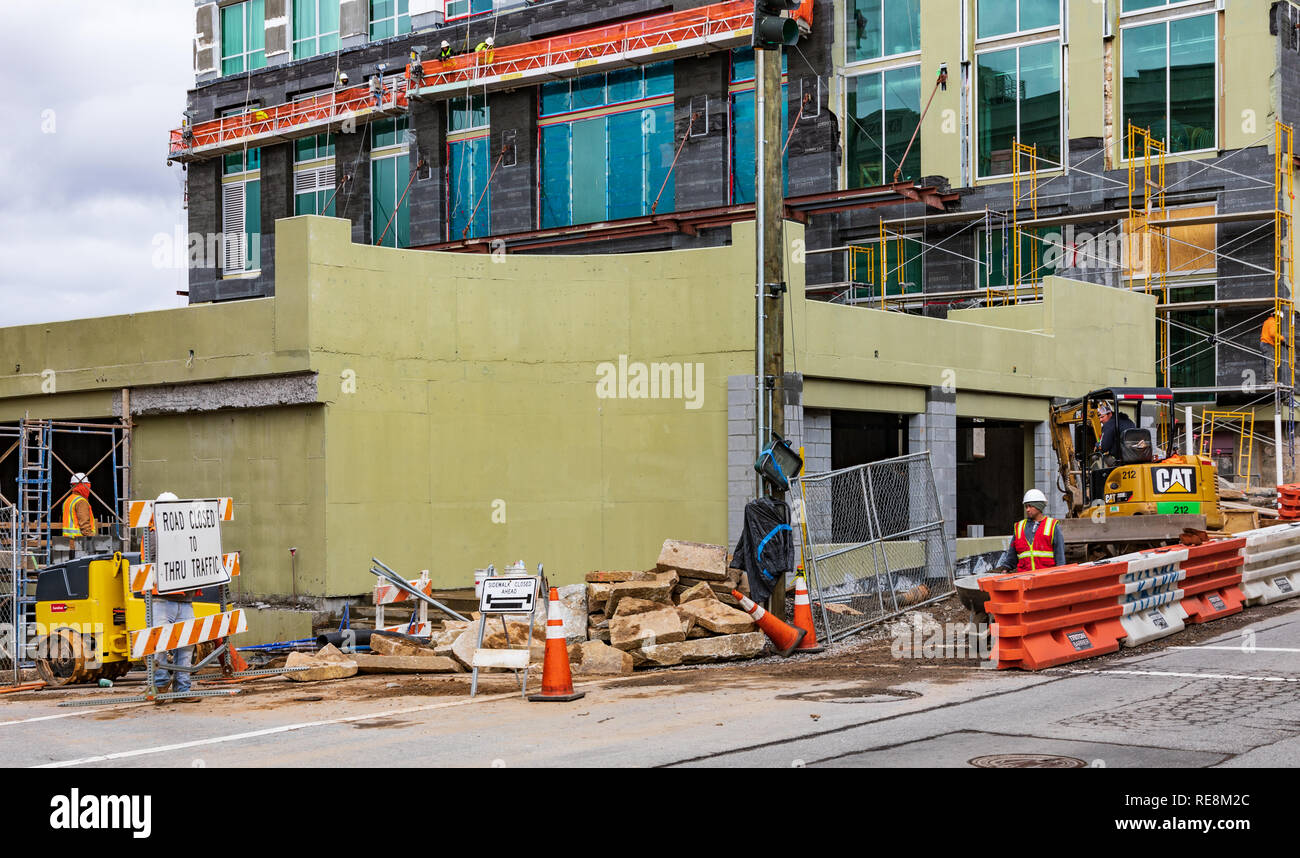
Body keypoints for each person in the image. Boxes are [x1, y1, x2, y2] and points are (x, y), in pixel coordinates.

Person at [150, 491, 199, 702]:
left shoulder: (188, 530)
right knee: (159, 646)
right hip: (162, 600)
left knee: (186, 649)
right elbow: (153, 560)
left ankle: (182, 690)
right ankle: (161, 685)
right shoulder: (153, 533)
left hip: (185, 600)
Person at [994, 489, 1064, 573]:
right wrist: (1006, 568)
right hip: (1024, 578)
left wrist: (1060, 573)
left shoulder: (1052, 526)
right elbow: (1012, 554)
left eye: (1030, 506)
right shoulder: (1019, 527)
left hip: (1046, 577)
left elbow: (1059, 556)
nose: (1027, 509)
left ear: (1039, 506)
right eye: (1026, 506)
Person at [61, 473, 96, 556]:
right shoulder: (81, 501)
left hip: (67, 543)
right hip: (79, 543)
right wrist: (93, 541)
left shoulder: (68, 500)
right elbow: (84, 524)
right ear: (82, 486)